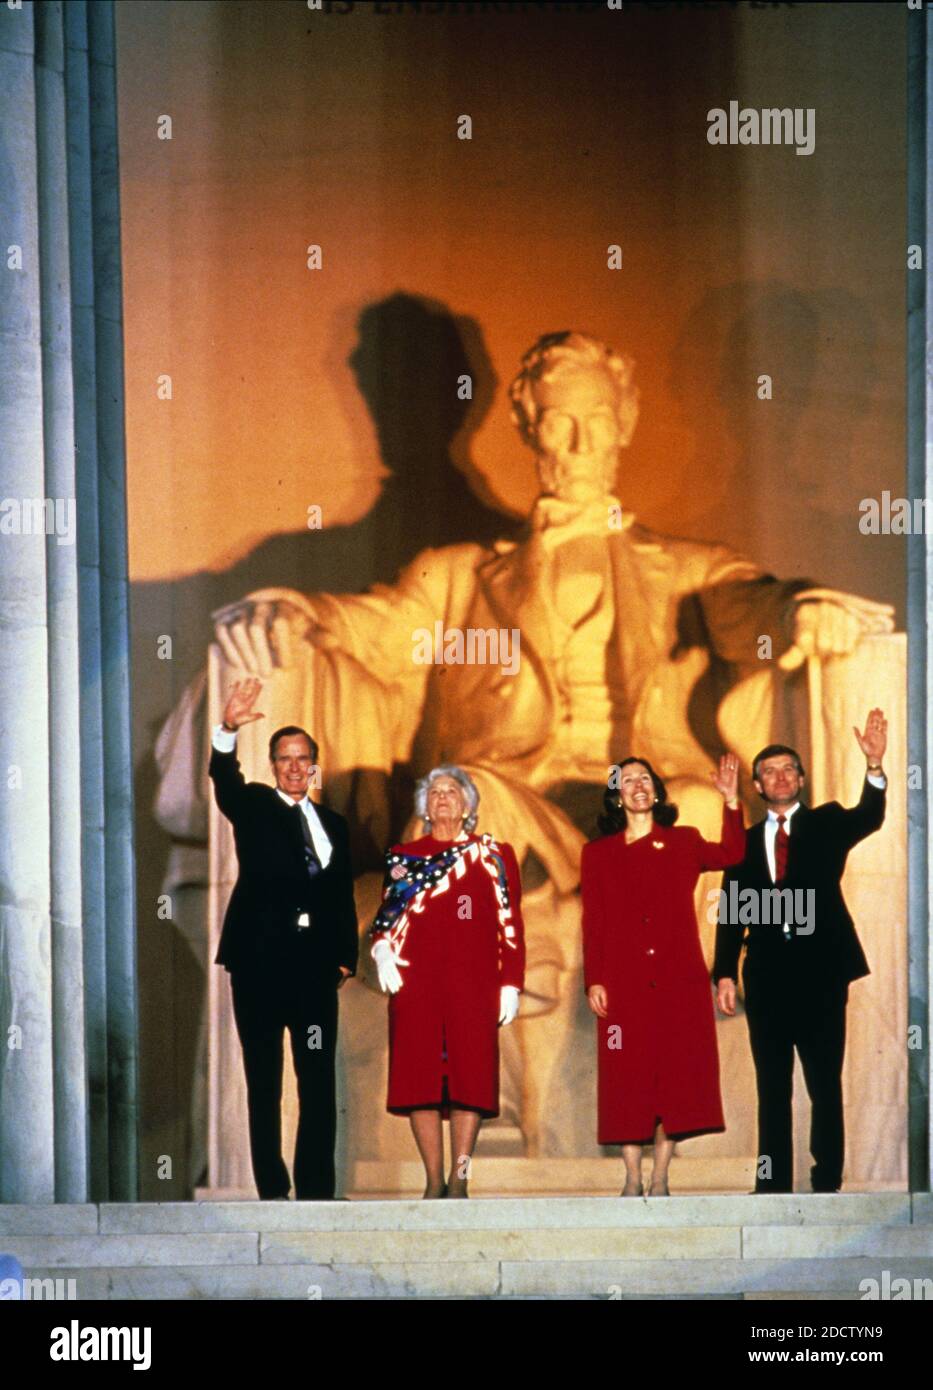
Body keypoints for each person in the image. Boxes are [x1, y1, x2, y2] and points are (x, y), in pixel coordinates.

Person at [713, 710, 887, 1194]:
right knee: (772, 1087)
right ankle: (771, 1185)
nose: (781, 777)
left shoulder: (828, 822)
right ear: (757, 785)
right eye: (770, 771)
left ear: (802, 779)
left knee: (824, 1083)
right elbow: (731, 912)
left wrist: (874, 768)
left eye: (789, 768)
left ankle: (827, 1180)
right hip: (767, 976)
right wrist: (724, 973)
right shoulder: (742, 844)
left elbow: (870, 816)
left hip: (823, 974)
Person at [209, 676, 358, 1199]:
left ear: (314, 766)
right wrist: (227, 728)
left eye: (303, 759)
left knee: (318, 1081)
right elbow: (223, 778)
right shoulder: (252, 805)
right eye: (285, 759)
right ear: (273, 765)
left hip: (314, 971)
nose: (295, 767)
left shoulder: (335, 825)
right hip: (258, 966)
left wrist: (345, 958)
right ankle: (273, 1189)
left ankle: (317, 1190)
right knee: (264, 1080)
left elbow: (341, 894)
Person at [581, 753, 744, 1196]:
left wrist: (731, 802)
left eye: (646, 779)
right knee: (625, 1075)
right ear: (615, 796)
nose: (638, 786)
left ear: (657, 791)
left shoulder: (684, 841)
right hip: (622, 983)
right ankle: (632, 1177)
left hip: (679, 981)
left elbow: (733, 853)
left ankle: (660, 1176)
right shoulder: (597, 854)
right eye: (628, 780)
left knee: (675, 1077)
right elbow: (592, 919)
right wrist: (594, 978)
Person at [370, 766, 525, 1198]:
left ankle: (459, 1180)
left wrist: (510, 981)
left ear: (468, 805)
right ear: (424, 805)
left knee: (468, 1083)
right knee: (419, 1081)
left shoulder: (493, 855)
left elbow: (510, 922)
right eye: (434, 791)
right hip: (415, 984)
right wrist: (382, 949)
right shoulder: (404, 856)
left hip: (472, 986)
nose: (442, 798)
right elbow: (387, 919)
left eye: (452, 791)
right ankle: (433, 1180)